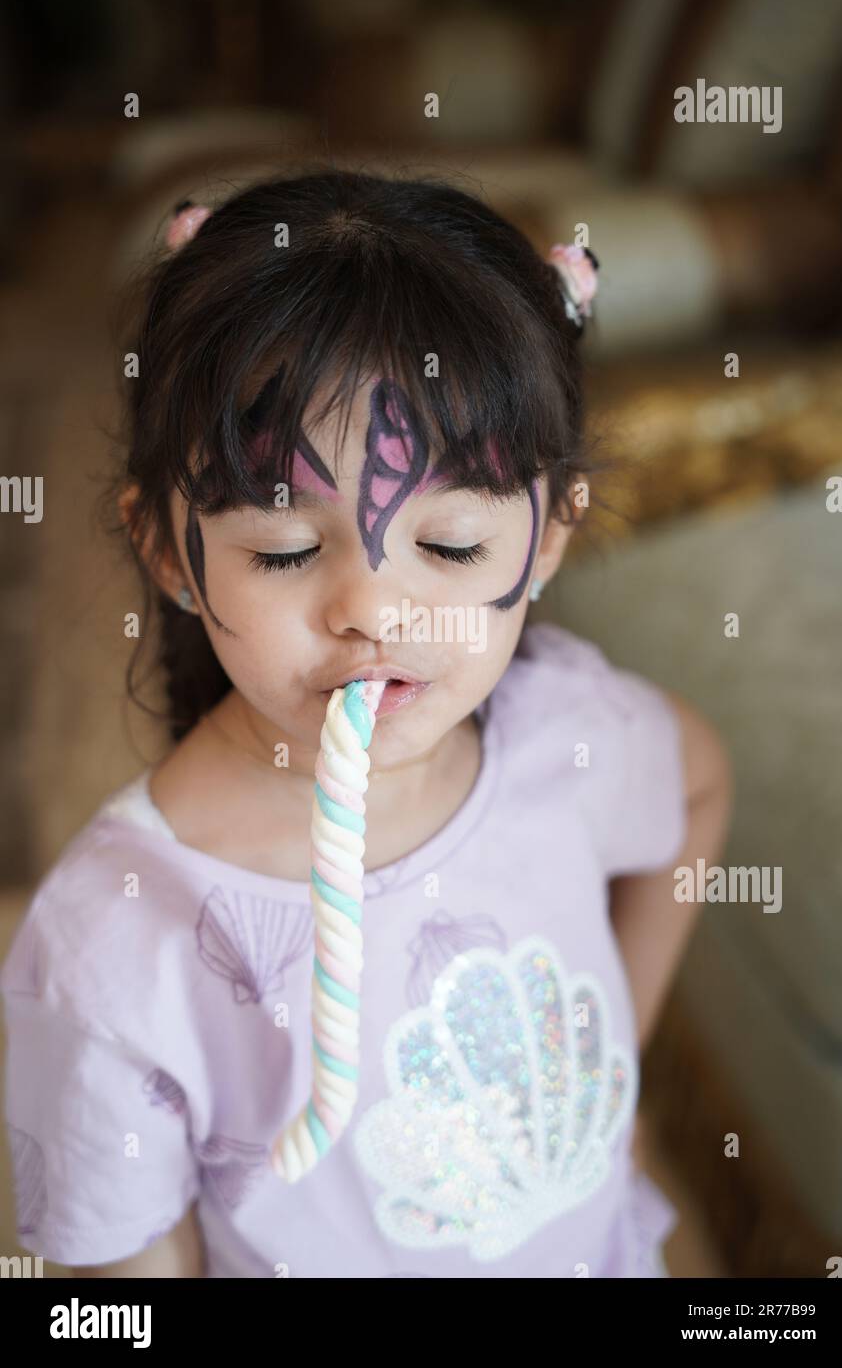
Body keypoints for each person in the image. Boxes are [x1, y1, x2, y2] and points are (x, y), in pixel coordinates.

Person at [0, 169, 731, 1278]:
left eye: (449, 548)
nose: (374, 612)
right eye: (287, 552)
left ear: (544, 540)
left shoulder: (571, 733)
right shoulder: (115, 942)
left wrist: (613, 1045)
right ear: (165, 552)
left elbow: (695, 788)